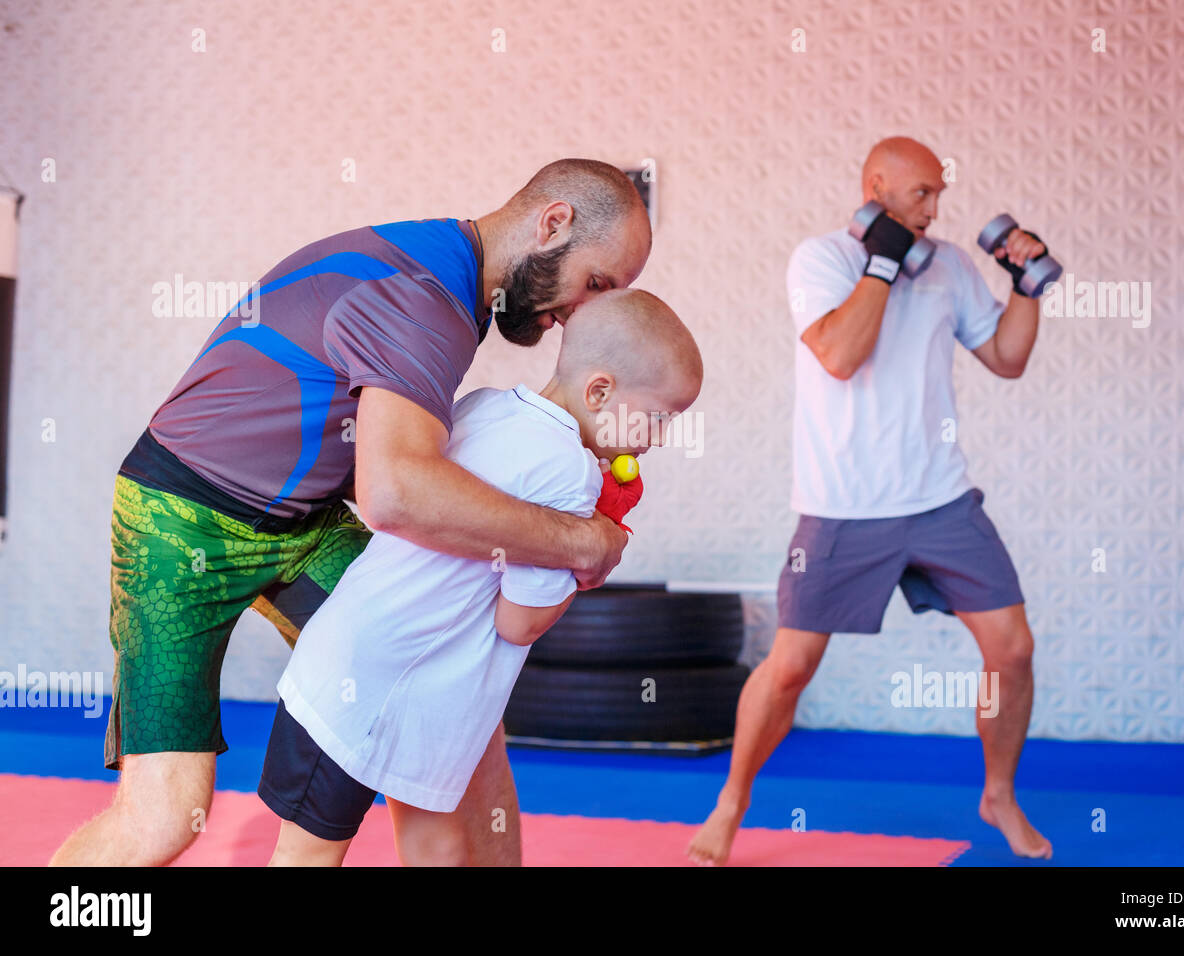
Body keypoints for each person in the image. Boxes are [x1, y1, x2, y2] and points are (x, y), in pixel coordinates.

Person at [50, 159, 652, 867]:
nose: (580, 316)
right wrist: (579, 540)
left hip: (302, 522)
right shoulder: (424, 297)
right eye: (595, 284)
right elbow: (395, 492)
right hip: (180, 514)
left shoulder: (454, 282)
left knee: (449, 706)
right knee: (163, 820)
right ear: (554, 224)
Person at [688, 136, 1053, 864]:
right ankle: (731, 803)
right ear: (877, 186)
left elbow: (1007, 360)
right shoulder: (820, 259)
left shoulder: (949, 264)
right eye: (922, 195)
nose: (935, 210)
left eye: (940, 196)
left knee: (1012, 648)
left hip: (940, 499)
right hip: (842, 505)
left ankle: (999, 796)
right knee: (790, 666)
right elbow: (840, 355)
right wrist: (882, 263)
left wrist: (1026, 287)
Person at [257, 289, 702, 865]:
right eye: (658, 418)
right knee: (311, 855)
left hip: (404, 688)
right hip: (374, 687)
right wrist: (585, 554)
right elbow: (518, 623)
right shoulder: (571, 476)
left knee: (436, 842)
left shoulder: (486, 405)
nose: (659, 438)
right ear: (600, 392)